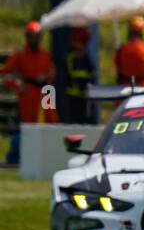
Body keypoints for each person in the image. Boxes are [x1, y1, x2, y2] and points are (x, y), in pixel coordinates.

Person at [2, 21, 60, 164]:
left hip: (46, 91)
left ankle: (49, 156)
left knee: (52, 123)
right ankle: (17, 158)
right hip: (29, 93)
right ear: (27, 37)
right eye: (32, 36)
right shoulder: (20, 55)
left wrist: (48, 77)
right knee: (29, 127)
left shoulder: (45, 55)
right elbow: (5, 74)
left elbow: (51, 71)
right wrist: (18, 86)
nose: (35, 39)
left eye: (37, 36)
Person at [62, 26, 98, 124]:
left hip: (85, 98)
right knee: (74, 122)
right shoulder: (71, 58)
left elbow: (91, 75)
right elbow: (73, 76)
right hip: (73, 98)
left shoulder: (86, 58)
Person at [115, 15, 144, 85]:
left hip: (125, 87)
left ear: (129, 32)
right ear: (143, 32)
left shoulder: (122, 49)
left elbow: (118, 69)